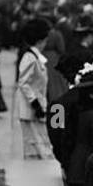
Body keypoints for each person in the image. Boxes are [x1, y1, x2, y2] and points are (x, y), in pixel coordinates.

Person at [14, 18, 54, 159]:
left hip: (35, 108)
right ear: (40, 40)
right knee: (35, 145)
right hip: (31, 108)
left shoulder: (35, 57)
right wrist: (35, 103)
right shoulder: (30, 58)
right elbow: (23, 82)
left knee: (38, 144)